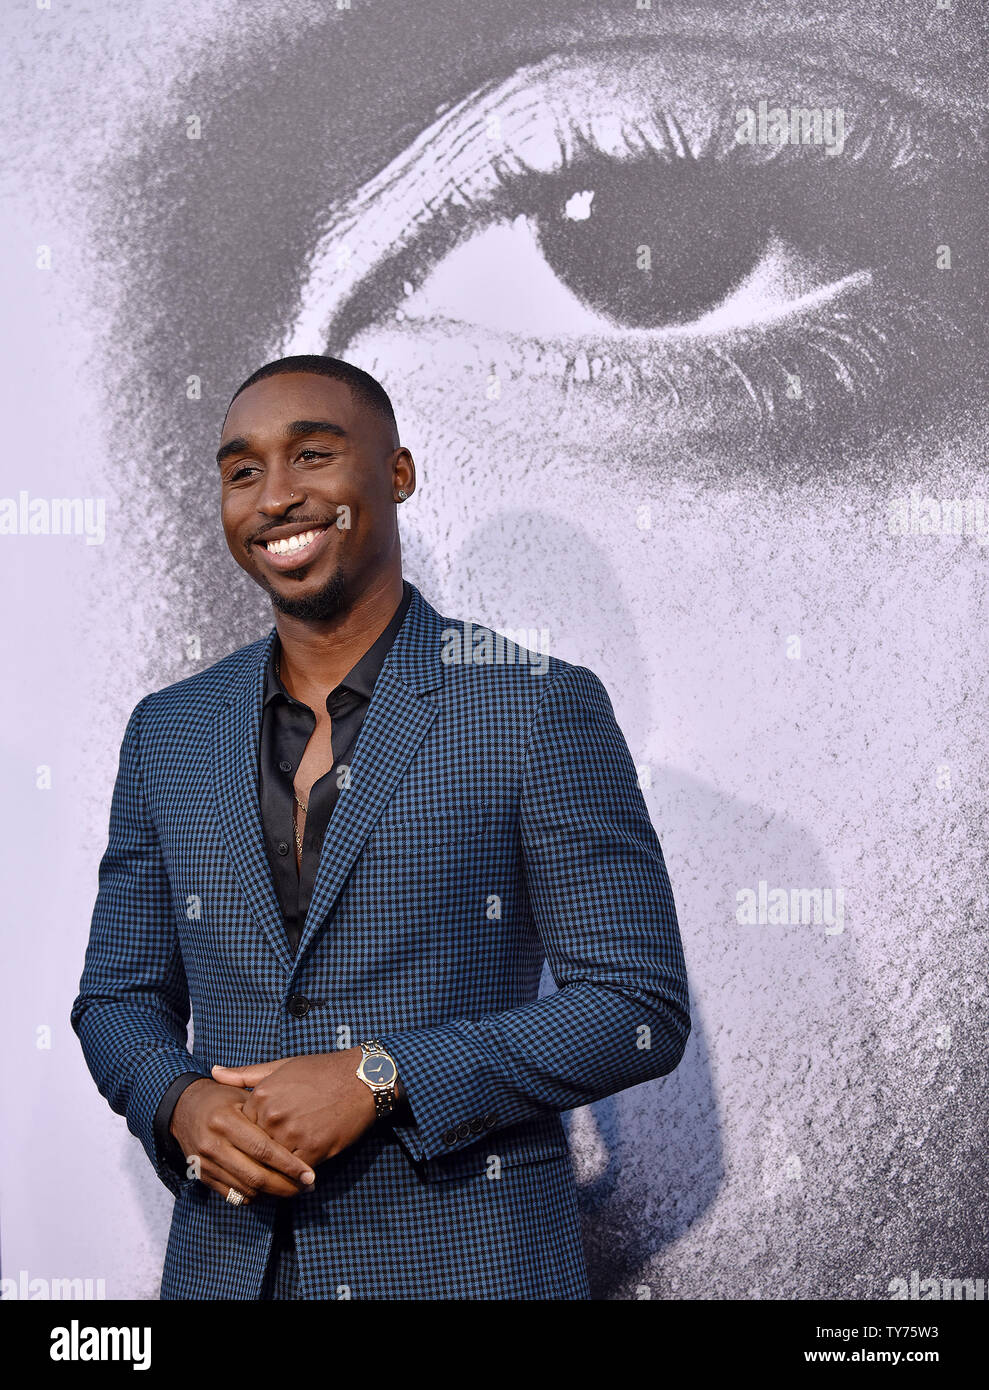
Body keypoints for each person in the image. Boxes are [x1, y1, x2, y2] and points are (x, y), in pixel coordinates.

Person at [71, 355, 691, 1300]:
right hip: (226, 1272)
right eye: (243, 472)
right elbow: (118, 996)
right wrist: (179, 1101)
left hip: (465, 1270)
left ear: (395, 474)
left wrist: (379, 1076)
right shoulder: (170, 729)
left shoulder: (534, 708)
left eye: (312, 456)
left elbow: (636, 1008)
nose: (276, 496)